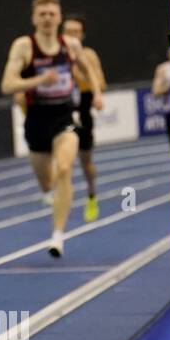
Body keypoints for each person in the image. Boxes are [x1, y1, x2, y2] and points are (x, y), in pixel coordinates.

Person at [1, 0, 102, 258]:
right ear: (34, 18)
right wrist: (38, 80)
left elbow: (88, 67)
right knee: (47, 184)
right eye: (42, 14)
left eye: (52, 14)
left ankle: (58, 236)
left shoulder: (70, 45)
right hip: (36, 119)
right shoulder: (24, 46)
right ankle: (52, 195)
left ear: (59, 17)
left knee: (66, 167)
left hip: (64, 116)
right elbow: (7, 84)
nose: (47, 18)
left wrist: (98, 93)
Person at [61, 15, 107, 221]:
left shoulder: (89, 55)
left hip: (83, 115)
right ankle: (60, 194)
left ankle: (91, 195)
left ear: (82, 35)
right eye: (68, 31)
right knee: (61, 157)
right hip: (62, 113)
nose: (72, 35)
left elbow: (102, 84)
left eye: (76, 32)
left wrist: (80, 76)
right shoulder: (56, 54)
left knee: (85, 163)